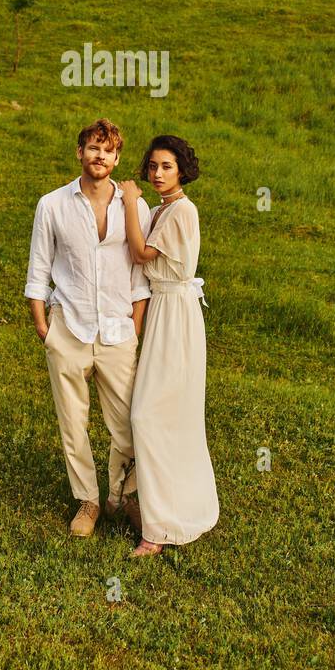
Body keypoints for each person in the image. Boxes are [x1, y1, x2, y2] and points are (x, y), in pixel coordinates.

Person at [24, 119, 152, 537]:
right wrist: (44, 327)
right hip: (70, 329)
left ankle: (121, 494)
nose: (101, 156)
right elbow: (39, 268)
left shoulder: (134, 206)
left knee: (129, 425)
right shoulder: (53, 204)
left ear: (117, 158)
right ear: (80, 152)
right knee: (72, 424)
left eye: (109, 150)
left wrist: (135, 326)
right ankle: (88, 502)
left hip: (118, 332)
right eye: (94, 148)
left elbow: (139, 273)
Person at [119, 135, 219, 558]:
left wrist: (127, 200)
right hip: (163, 309)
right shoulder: (165, 209)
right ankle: (160, 511)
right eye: (153, 166)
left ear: (181, 171)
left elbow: (142, 253)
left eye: (167, 167)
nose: (157, 174)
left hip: (175, 314)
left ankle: (157, 529)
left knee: (149, 414)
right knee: (158, 415)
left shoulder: (182, 210)